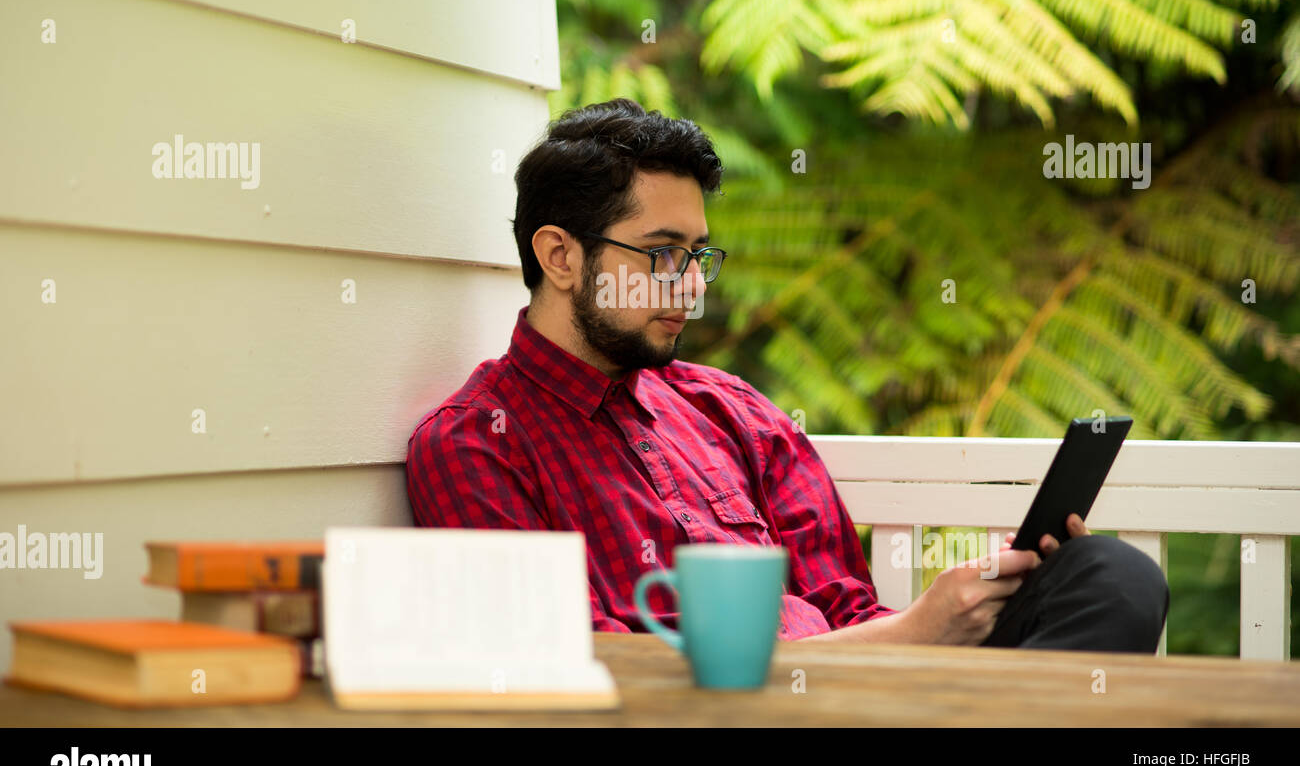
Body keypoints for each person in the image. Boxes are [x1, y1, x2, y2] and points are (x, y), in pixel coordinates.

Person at [406, 98, 1169, 652]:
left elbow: (846, 606)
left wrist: (961, 606)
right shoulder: (477, 444)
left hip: (864, 693)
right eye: (663, 253)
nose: (693, 286)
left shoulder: (724, 407)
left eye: (699, 255)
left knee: (1105, 573)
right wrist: (909, 638)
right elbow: (582, 670)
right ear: (560, 255)